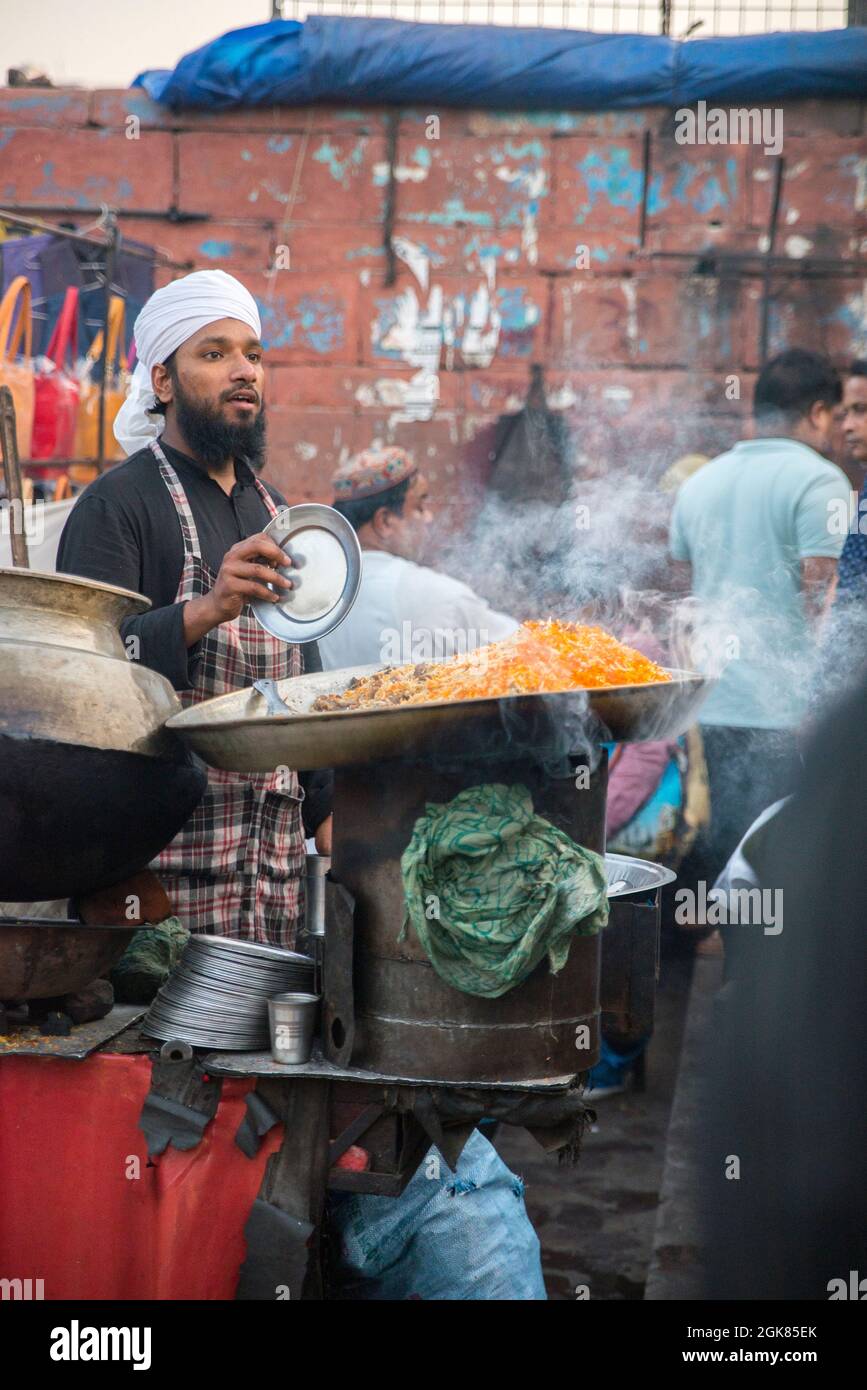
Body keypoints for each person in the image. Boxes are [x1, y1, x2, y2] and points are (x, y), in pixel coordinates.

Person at [57, 270, 332, 948]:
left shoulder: (277, 514)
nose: (243, 371)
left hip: (270, 878)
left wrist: (340, 835)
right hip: (155, 881)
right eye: (213, 354)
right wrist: (206, 609)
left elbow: (308, 693)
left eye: (252, 354)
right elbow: (81, 674)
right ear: (163, 380)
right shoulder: (116, 506)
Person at [668, 348, 850, 886]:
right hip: (781, 721)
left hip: (701, 715)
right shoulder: (821, 482)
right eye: (839, 417)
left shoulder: (698, 483)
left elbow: (683, 600)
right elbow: (822, 608)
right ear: (818, 412)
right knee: (774, 884)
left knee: (706, 883)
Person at [317, 446, 518, 670]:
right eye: (420, 506)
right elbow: (526, 649)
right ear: (384, 521)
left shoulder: (314, 597)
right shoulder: (443, 596)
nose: (429, 518)